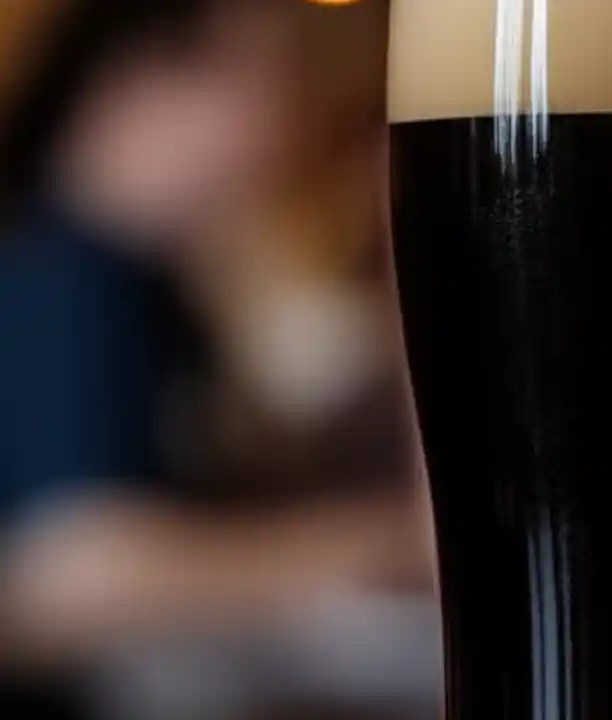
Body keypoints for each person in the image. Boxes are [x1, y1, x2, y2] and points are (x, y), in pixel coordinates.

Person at [0, 2, 429, 714]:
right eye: (249, 69)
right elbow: (72, 572)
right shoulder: (66, 277)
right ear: (132, 77)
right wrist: (391, 545)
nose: (278, 119)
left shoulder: (144, 285)